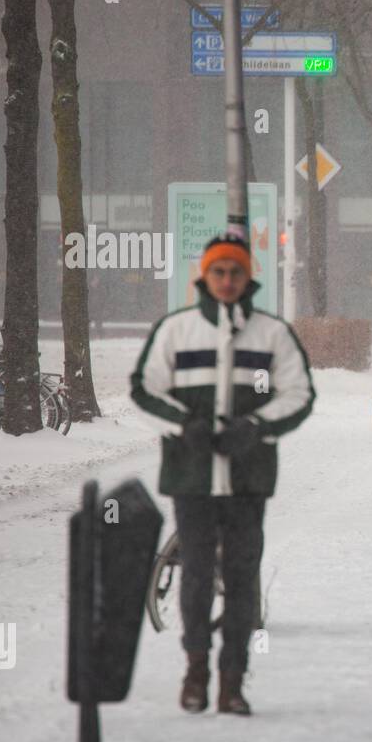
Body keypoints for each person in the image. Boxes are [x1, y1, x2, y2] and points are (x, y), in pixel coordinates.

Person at [130, 234, 315, 716]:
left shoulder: (271, 335)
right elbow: (145, 389)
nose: (228, 280)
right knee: (194, 576)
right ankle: (195, 670)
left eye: (235, 272)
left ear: (247, 277)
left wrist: (256, 427)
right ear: (204, 278)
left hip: (248, 478)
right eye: (219, 272)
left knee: (240, 577)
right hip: (191, 477)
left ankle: (233, 680)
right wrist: (182, 425)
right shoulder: (177, 331)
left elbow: (298, 393)